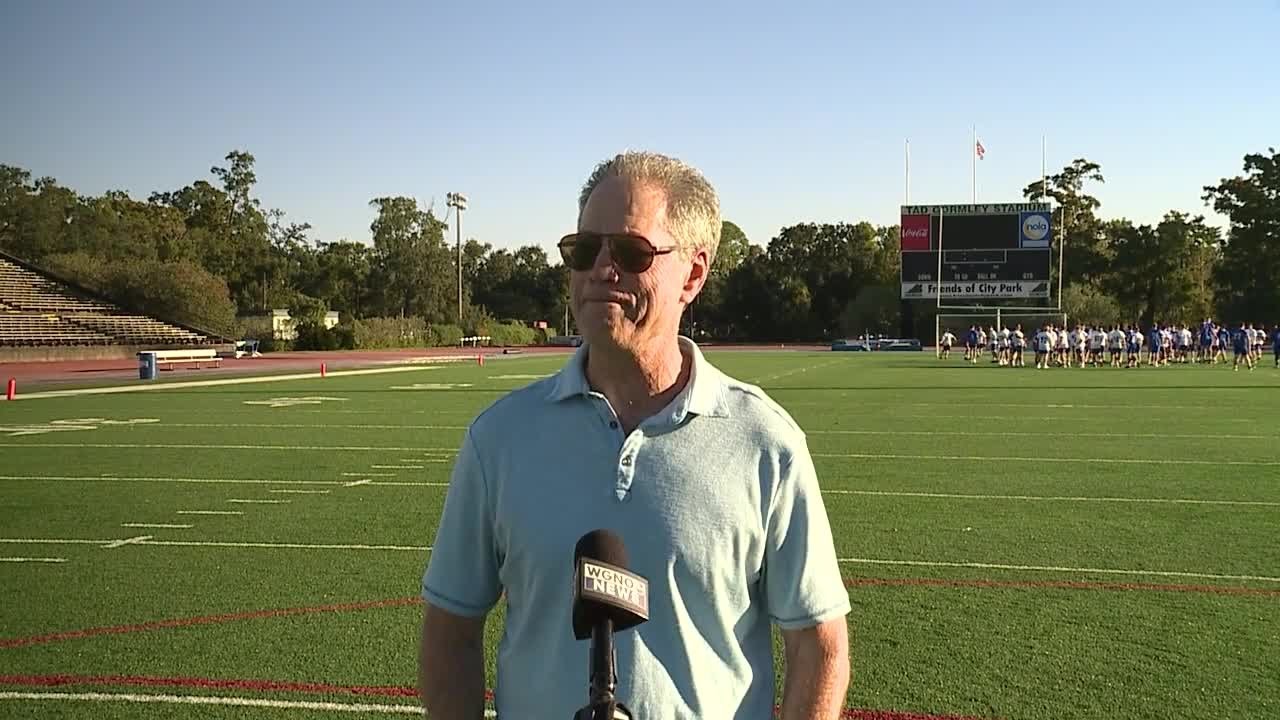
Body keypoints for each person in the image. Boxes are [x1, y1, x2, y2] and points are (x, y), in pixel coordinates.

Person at [418, 151, 851, 720]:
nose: (601, 268)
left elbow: (819, 646)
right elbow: (450, 632)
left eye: (630, 251)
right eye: (584, 249)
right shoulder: (499, 439)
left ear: (693, 274)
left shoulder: (766, 444)